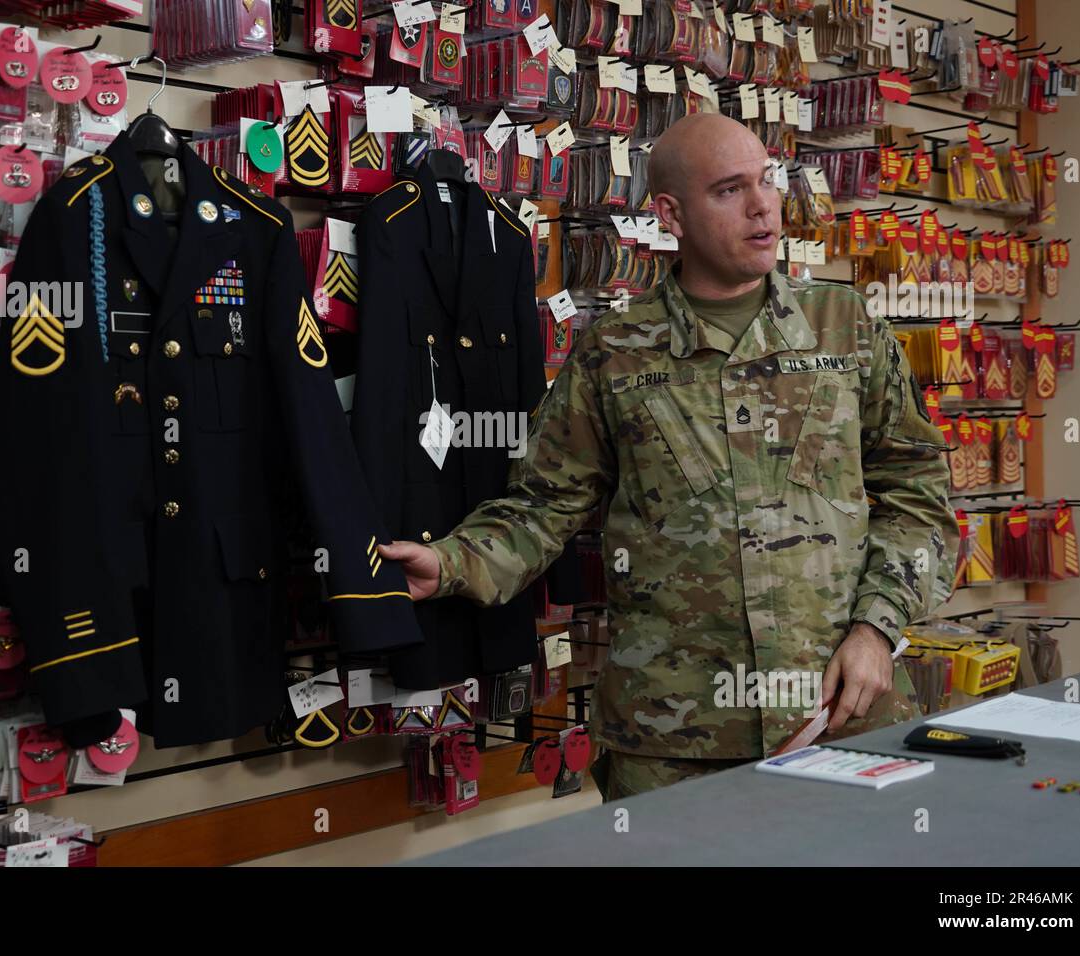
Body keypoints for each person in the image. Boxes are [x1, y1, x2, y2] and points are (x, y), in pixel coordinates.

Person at [379, 113, 959, 801]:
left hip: (841, 714)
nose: (762, 206)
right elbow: (544, 505)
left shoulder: (846, 328)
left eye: (766, 182)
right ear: (669, 213)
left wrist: (876, 628)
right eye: (729, 189)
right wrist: (449, 563)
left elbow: (918, 495)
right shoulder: (615, 351)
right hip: (674, 738)